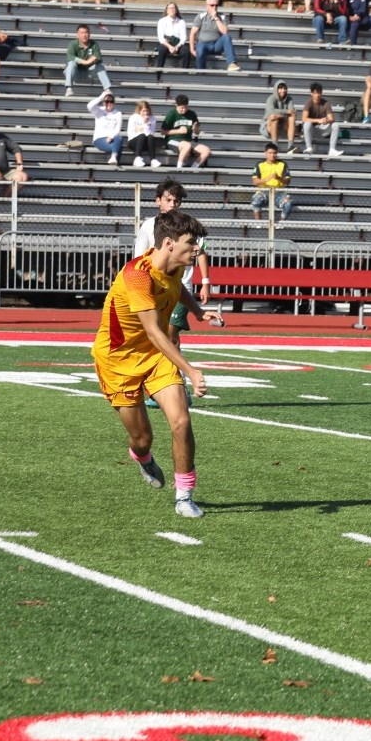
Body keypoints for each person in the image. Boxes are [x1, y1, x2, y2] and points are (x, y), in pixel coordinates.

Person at [94, 206, 223, 519]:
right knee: (142, 438)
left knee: (181, 421)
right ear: (169, 244)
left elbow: (178, 290)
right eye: (192, 242)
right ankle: (143, 457)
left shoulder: (174, 266)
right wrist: (190, 370)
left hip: (154, 358)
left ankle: (184, 496)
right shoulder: (137, 276)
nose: (198, 249)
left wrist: (196, 311)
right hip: (118, 361)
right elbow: (154, 332)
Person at [134, 180, 211, 348]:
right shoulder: (148, 225)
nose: (172, 204)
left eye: (176, 201)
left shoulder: (188, 225)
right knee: (153, 333)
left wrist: (205, 282)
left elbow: (202, 251)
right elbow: (139, 257)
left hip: (181, 286)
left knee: (171, 333)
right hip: (155, 287)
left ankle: (177, 372)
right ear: (157, 200)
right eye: (168, 200)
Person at [190, 0, 242, 72]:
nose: (214, 7)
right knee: (200, 47)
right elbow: (192, 33)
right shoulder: (201, 17)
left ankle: (232, 63)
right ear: (207, 6)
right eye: (212, 5)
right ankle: (201, 72)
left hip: (217, 45)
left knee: (226, 37)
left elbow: (224, 32)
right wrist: (192, 49)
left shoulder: (222, 17)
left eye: (216, 5)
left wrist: (216, 18)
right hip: (204, 44)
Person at [162, 94, 211, 169]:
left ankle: (193, 168)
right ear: (177, 106)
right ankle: (179, 168)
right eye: (182, 108)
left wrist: (195, 129)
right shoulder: (172, 114)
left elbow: (197, 132)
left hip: (188, 141)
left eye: (186, 107)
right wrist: (178, 131)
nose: (184, 110)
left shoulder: (192, 114)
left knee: (206, 150)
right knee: (186, 145)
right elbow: (163, 132)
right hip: (173, 140)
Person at [63, 23, 112, 94]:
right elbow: (70, 56)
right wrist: (85, 62)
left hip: (89, 72)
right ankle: (69, 88)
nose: (84, 35)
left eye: (86, 32)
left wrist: (92, 61)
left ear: (89, 34)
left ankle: (107, 89)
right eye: (82, 33)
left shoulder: (94, 44)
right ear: (78, 35)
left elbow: (98, 58)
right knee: (71, 63)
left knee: (100, 65)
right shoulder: (73, 44)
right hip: (75, 73)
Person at [250, 143, 293, 220]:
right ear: (265, 153)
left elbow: (288, 181)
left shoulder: (282, 164)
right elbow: (254, 182)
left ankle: (281, 223)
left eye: (274, 153)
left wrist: (278, 178)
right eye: (270, 153)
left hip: (278, 192)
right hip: (263, 191)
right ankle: (258, 224)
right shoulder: (260, 164)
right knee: (256, 201)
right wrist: (267, 179)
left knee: (288, 204)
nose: (272, 155)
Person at [87, 91, 125, 165]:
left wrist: (111, 137)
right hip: (100, 138)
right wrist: (102, 96)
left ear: (114, 103)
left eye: (111, 101)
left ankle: (113, 157)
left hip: (112, 139)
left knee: (119, 139)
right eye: (107, 101)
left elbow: (117, 129)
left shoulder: (118, 113)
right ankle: (115, 161)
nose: (109, 103)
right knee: (119, 147)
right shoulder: (99, 110)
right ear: (104, 102)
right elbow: (89, 106)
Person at [126, 99, 164, 168]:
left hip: (145, 142)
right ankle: (137, 158)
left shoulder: (152, 118)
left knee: (150, 137)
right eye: (143, 111)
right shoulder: (134, 117)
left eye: (147, 111)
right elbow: (130, 134)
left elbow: (151, 133)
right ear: (139, 111)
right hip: (133, 141)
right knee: (142, 135)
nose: (146, 113)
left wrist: (146, 123)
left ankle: (153, 160)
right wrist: (144, 124)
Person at [154, 2, 193, 69]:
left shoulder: (181, 22)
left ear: (176, 10)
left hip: (178, 43)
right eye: (170, 8)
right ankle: (159, 71)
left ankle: (185, 73)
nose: (171, 10)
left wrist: (177, 47)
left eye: (173, 8)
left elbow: (183, 38)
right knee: (162, 50)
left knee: (186, 52)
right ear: (167, 10)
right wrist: (169, 47)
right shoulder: (162, 21)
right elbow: (161, 38)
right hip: (166, 43)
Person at [263, 82, 297, 149]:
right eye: (280, 88)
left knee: (292, 117)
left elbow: (292, 111)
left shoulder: (289, 99)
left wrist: (281, 115)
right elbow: (271, 111)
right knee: (274, 118)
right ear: (276, 89)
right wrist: (286, 112)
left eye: (284, 88)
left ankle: (290, 146)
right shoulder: (271, 99)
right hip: (269, 125)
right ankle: (275, 146)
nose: (283, 90)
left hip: (283, 124)